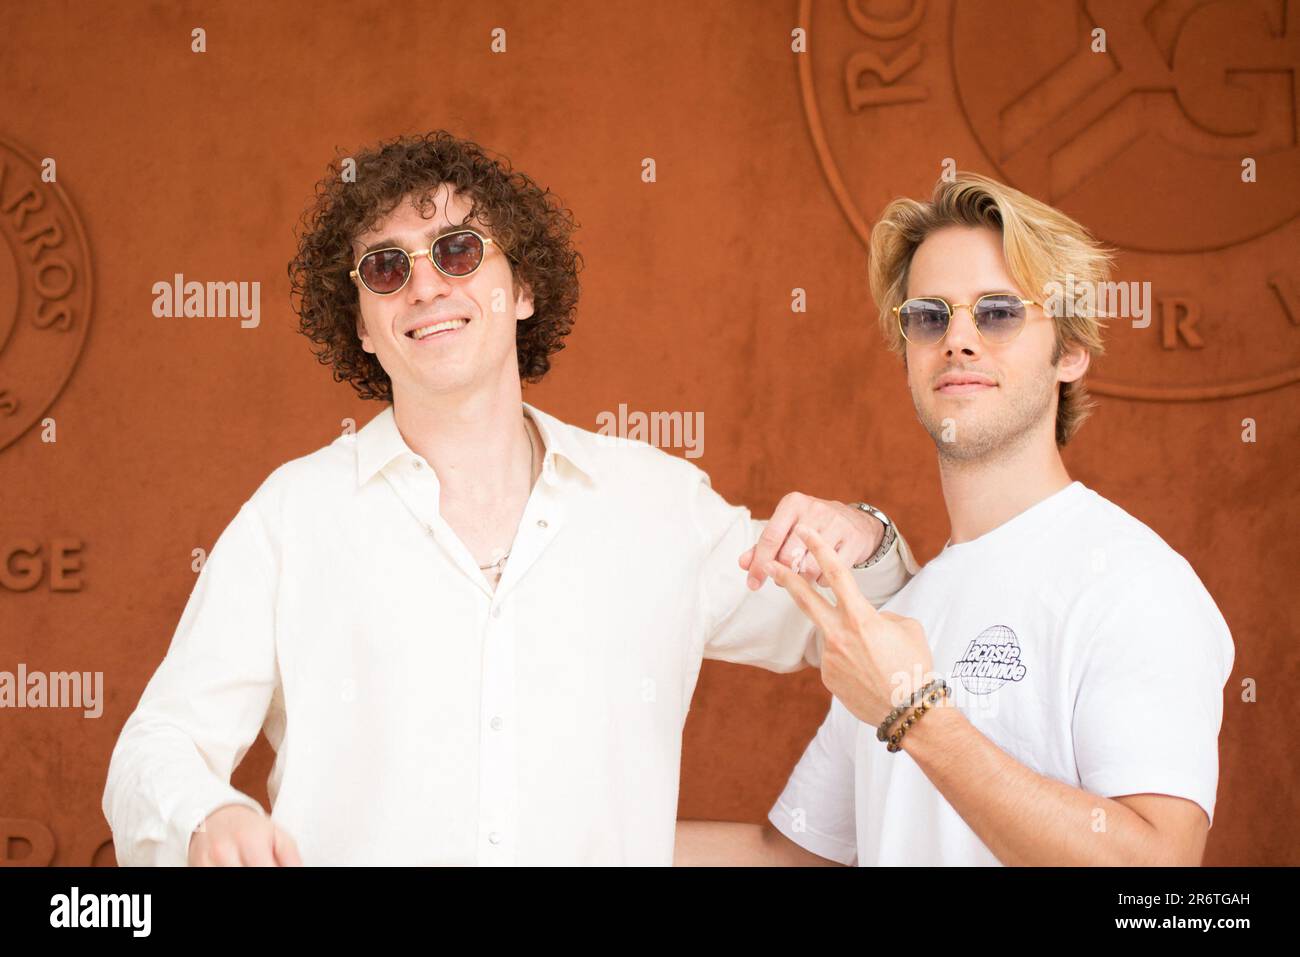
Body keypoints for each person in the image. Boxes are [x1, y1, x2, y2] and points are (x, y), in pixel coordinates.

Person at [101, 131, 918, 866]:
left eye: (456, 251)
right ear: (359, 323)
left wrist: (864, 532)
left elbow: (866, 626)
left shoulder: (655, 504)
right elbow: (157, 746)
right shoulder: (292, 517)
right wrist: (206, 813)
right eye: (385, 266)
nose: (423, 285)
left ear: (522, 288)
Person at [675, 171, 1234, 866]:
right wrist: (548, 833)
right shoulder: (900, 613)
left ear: (1068, 351)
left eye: (998, 312)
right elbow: (789, 858)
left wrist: (914, 713)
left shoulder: (1134, 582)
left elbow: (1157, 873)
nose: (958, 339)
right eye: (929, 316)